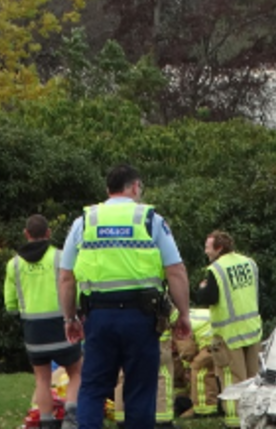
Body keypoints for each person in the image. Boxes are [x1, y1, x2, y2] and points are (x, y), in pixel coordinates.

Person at [58, 164, 192, 429]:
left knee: (93, 387)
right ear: (134, 187)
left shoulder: (85, 221)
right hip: (141, 318)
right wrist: (184, 314)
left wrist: (69, 317)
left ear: (108, 190)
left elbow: (65, 276)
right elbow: (175, 270)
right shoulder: (151, 219)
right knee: (140, 389)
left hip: (98, 316)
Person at [5, 215, 82, 429]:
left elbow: (10, 304)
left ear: (26, 234)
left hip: (33, 329)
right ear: (48, 233)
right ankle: (71, 416)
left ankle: (46, 421)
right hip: (61, 324)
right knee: (76, 371)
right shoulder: (59, 258)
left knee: (42, 379)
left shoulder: (14, 265)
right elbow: (72, 289)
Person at [195, 230, 262, 428]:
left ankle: (234, 423)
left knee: (232, 380)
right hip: (252, 329)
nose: (206, 251)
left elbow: (207, 297)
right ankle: (255, 420)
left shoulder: (216, 269)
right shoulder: (249, 263)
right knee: (253, 379)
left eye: (208, 247)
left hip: (229, 334)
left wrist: (201, 287)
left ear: (219, 248)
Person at [175, 308, 219, 418]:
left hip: (211, 341)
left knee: (199, 368)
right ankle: (186, 400)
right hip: (223, 336)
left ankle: (204, 408)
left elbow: (187, 352)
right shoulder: (181, 317)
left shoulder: (176, 327)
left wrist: (187, 368)